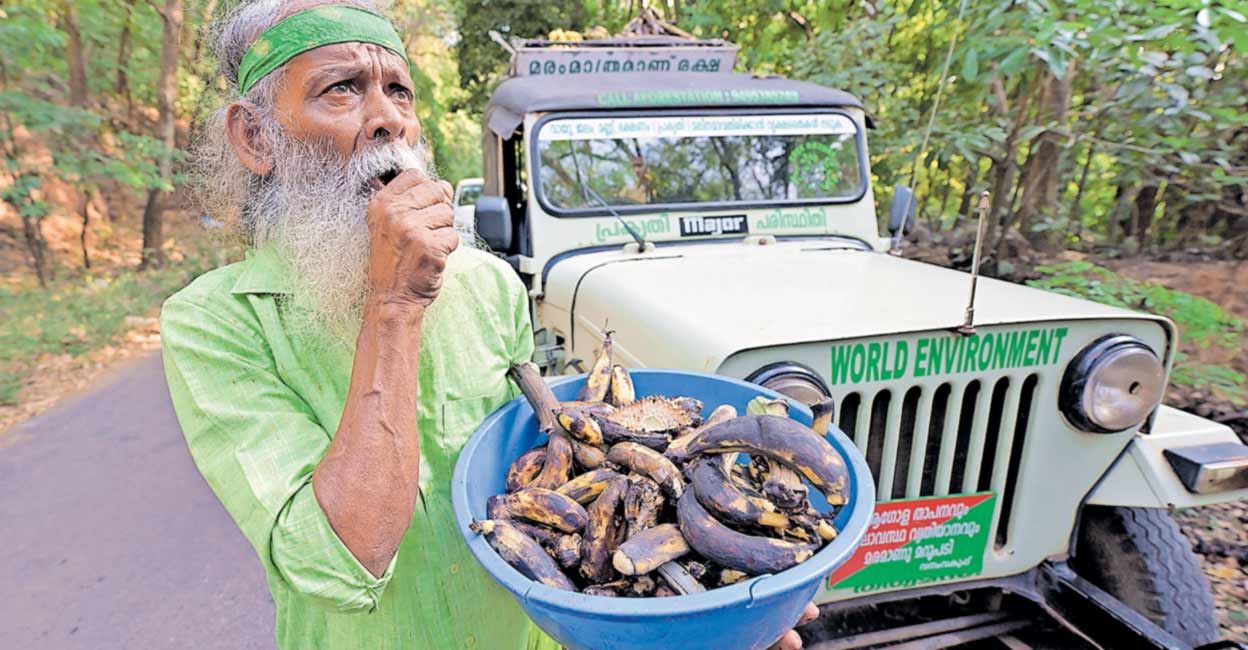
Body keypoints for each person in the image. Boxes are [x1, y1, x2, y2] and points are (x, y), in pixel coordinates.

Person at [162, 1, 817, 648]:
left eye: (399, 91)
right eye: (342, 89)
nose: (389, 119)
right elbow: (338, 563)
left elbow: (555, 494)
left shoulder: (487, 285)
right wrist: (392, 306)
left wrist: (717, 605)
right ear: (255, 137)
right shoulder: (214, 325)